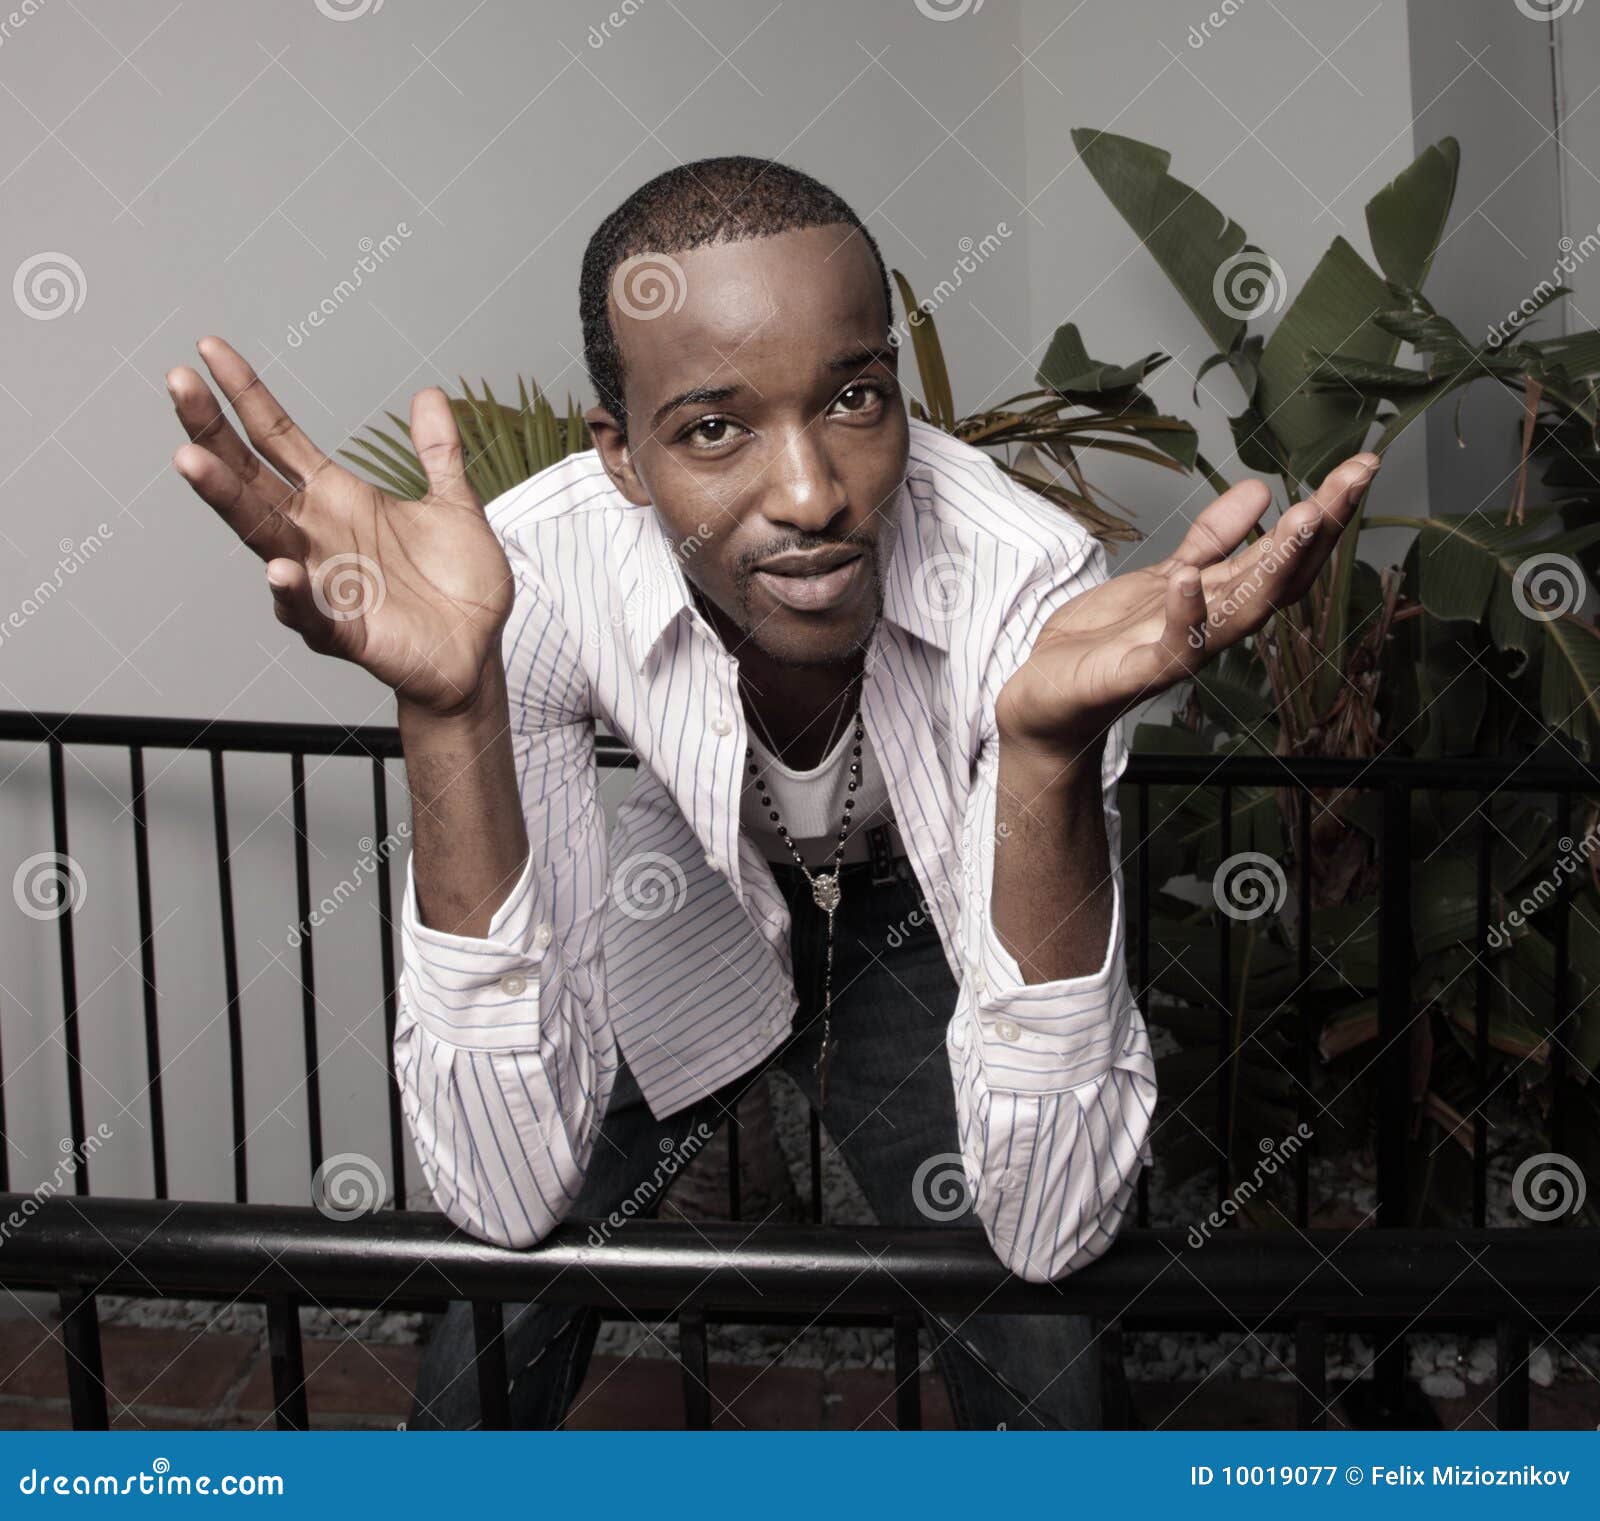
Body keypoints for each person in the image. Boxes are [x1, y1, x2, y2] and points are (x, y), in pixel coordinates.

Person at [164, 155, 1377, 1430]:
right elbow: (504, 1194)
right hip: (686, 883)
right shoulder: (524, 572)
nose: (810, 493)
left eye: (854, 398)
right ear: (621, 457)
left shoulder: (1025, 581)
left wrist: (1048, 749)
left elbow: (1054, 1224)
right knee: (508, 1283)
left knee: (1029, 1308)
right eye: (711, 428)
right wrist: (450, 706)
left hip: (916, 912)